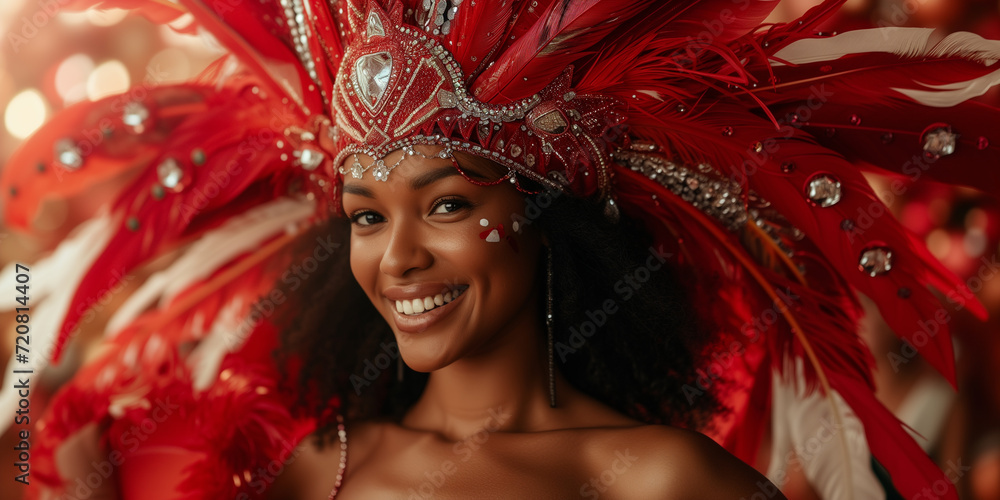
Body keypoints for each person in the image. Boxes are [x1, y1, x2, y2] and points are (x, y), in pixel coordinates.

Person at [2, 0, 999, 499]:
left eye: (442, 206)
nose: (396, 258)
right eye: (364, 213)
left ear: (545, 219)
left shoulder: (658, 479)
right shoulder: (315, 466)